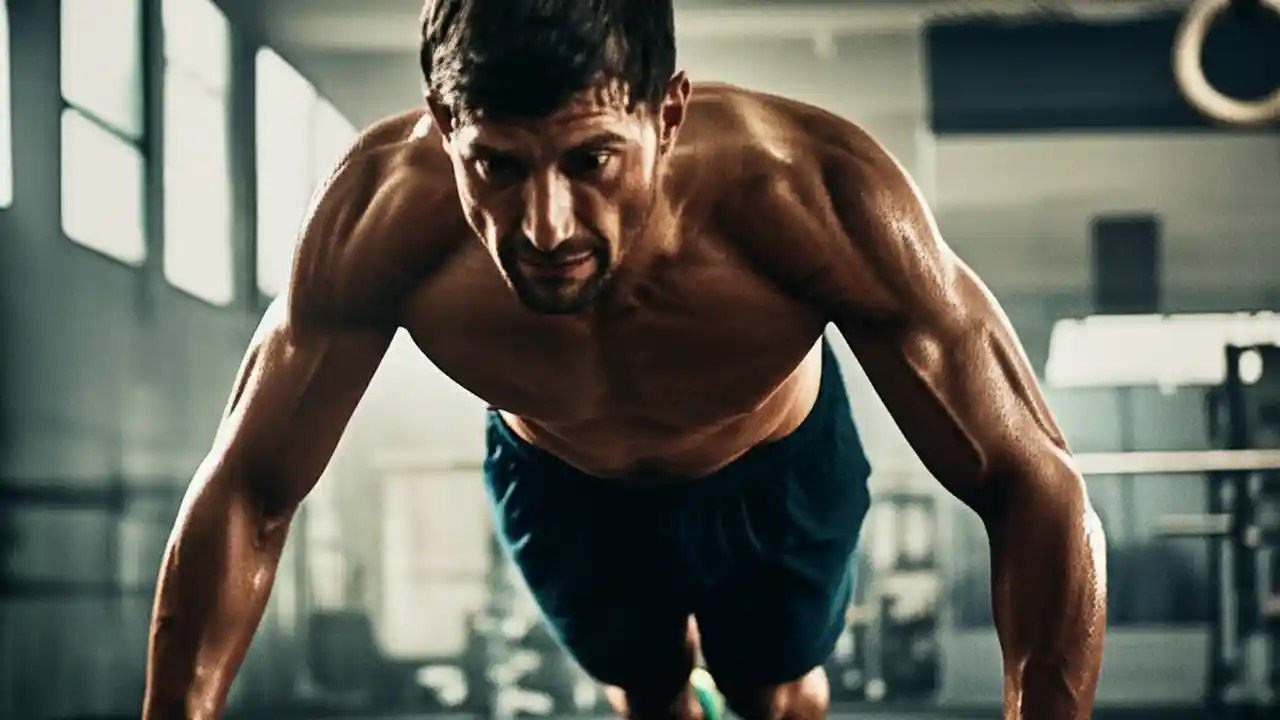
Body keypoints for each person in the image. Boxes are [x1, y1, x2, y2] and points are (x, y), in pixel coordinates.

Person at [141, 1, 1107, 718]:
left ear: (669, 115)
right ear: (444, 129)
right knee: (647, 700)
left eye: (592, 160)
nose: (545, 224)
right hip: (559, 486)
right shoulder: (377, 218)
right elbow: (248, 489)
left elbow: (1037, 484)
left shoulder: (809, 192)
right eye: (498, 166)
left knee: (767, 698)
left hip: (771, 478)